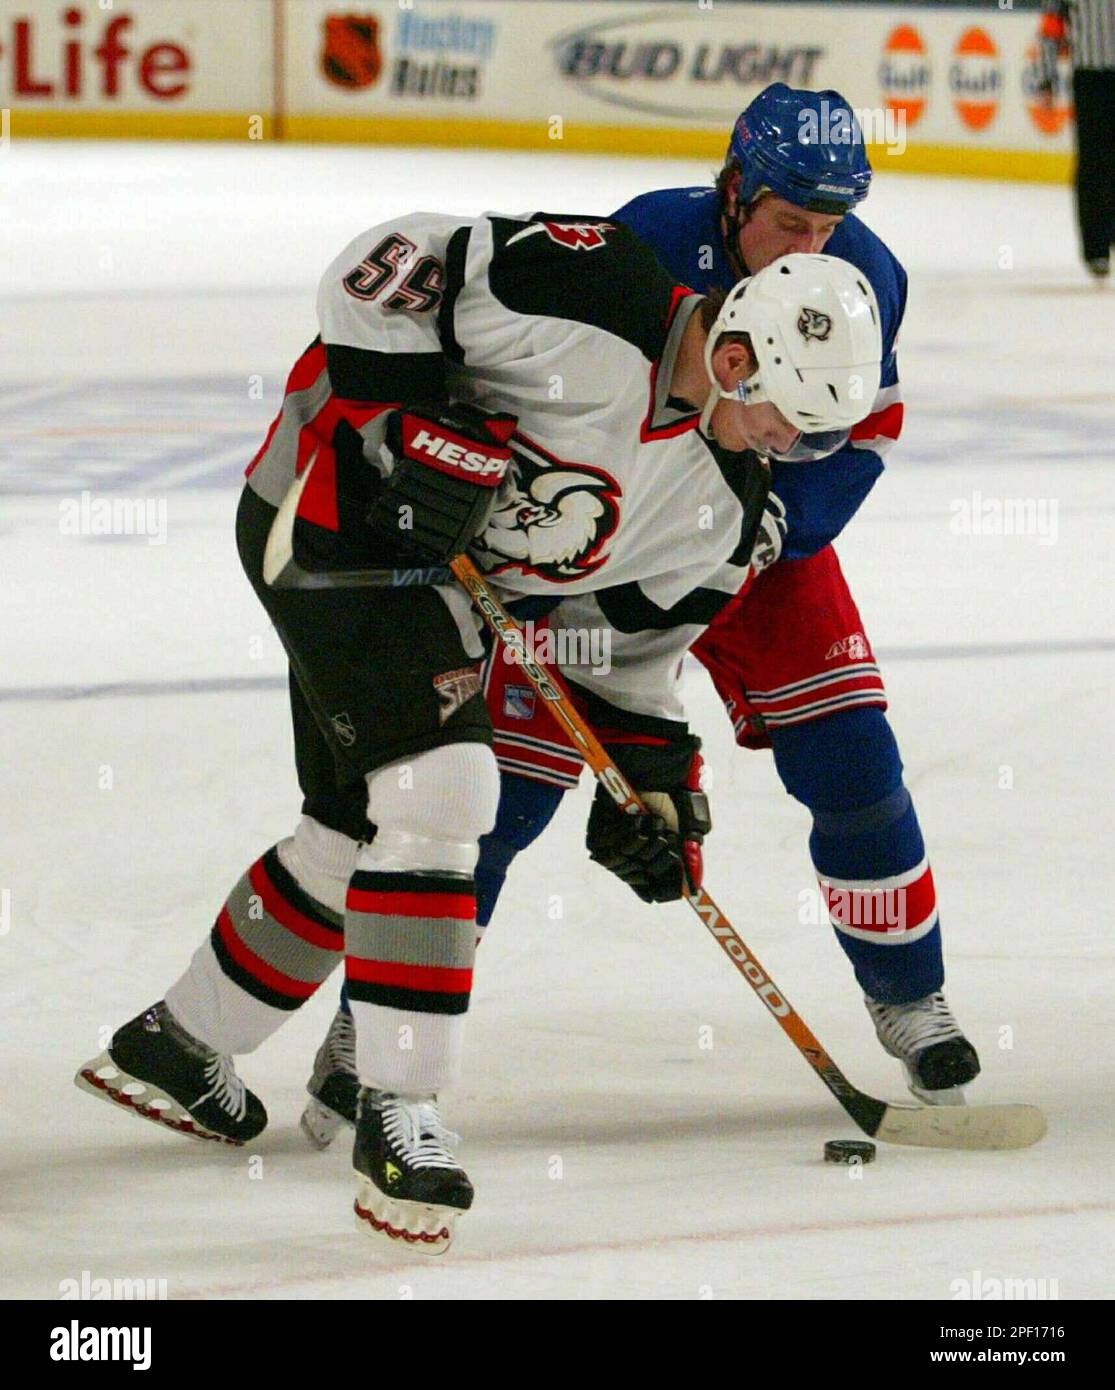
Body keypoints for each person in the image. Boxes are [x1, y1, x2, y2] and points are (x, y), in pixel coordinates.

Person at [75, 209, 882, 1250]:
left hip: (436, 598)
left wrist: (653, 792)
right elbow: (388, 268)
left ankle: (176, 1043)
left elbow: (624, 658)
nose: (794, 447)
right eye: (790, 419)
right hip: (328, 518)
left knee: (355, 831)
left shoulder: (718, 505)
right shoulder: (600, 293)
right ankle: (399, 1110)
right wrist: (403, 425)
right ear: (734, 357)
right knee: (443, 792)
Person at [302, 85, 982, 1151]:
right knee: (502, 792)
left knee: (852, 757)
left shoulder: (865, 280)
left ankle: (912, 997)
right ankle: (365, 1035)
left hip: (754, 542)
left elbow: (861, 435)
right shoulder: (648, 240)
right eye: (788, 221)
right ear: (731, 194)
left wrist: (756, 534)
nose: (811, 243)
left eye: (829, 223)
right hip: (606, 542)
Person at [1039, 1, 1115, 280]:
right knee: (1094, 159)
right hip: (1090, 76)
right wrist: (1045, 75)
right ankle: (1096, 247)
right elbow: (1052, 21)